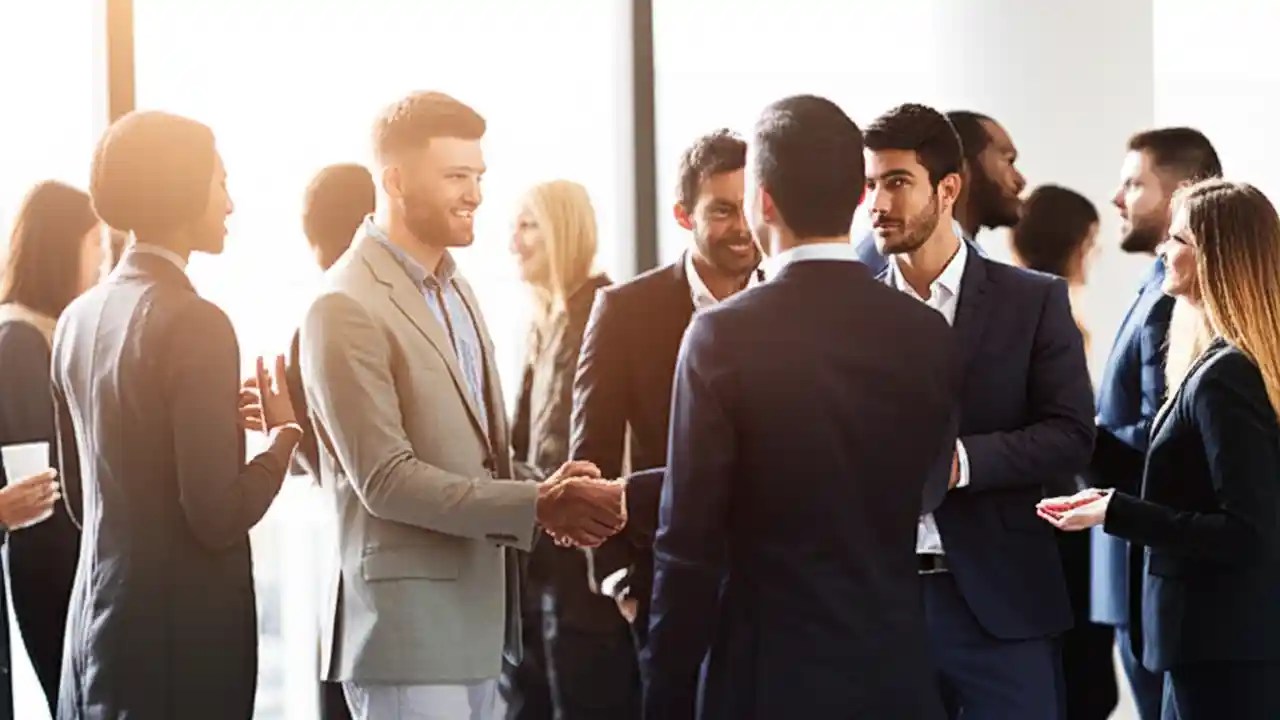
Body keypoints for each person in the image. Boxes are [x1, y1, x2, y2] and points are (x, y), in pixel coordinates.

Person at [299, 91, 624, 720]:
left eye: (477, 176)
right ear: (394, 181)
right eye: (455, 176)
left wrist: (550, 485)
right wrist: (537, 503)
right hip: (406, 637)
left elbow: (478, 455)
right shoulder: (343, 303)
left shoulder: (459, 291)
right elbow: (386, 481)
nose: (474, 194)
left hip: (478, 630)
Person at [643, 95, 961, 720]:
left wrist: (665, 690)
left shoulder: (721, 335)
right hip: (895, 675)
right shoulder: (925, 331)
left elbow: (688, 540)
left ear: (763, 200)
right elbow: (928, 485)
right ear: (853, 198)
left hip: (766, 678)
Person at [52, 110, 302, 719]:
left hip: (96, 636)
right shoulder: (196, 322)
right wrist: (283, 438)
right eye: (220, 183)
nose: (231, 204)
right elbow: (215, 516)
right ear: (183, 189)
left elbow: (84, 503)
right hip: (178, 652)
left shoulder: (75, 319)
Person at [863, 103, 1095, 719]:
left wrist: (960, 462)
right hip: (874, 610)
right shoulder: (844, 305)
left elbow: (1071, 434)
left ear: (948, 189)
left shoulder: (1033, 300)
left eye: (897, 182)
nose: (877, 204)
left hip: (1001, 608)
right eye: (870, 184)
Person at [1040, 179, 1280, 719]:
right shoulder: (1220, 365)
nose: (1163, 251)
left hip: (1223, 653)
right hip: (1212, 649)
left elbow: (1248, 532)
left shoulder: (1227, 377)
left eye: (1177, 239)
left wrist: (1115, 511)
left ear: (1215, 256)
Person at [570, 128, 761, 650]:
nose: (742, 227)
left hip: (778, 586)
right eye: (722, 211)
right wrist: (621, 581)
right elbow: (593, 454)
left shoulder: (789, 302)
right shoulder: (625, 311)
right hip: (666, 583)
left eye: (748, 207)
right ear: (684, 215)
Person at [1090, 127, 1222, 720]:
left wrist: (1069, 428)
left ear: (1183, 193)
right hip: (1127, 565)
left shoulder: (1179, 298)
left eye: (1134, 184)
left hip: (1151, 565)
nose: (1118, 200)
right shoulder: (1153, 285)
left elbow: (1162, 444)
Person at [503, 180, 621, 720]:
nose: (515, 242)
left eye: (529, 226)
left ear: (562, 233)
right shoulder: (543, 326)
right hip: (544, 565)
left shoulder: (603, 312)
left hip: (586, 576)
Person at [1011, 184, 1117, 720]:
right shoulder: (1055, 319)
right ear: (1080, 242)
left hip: (1043, 516)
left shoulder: (1013, 304)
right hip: (1058, 518)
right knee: (1084, 682)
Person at [0, 180, 101, 715]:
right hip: (51, 559)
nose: (102, 266)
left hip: (60, 554)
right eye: (95, 247)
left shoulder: (47, 333)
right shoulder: (21, 340)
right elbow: (43, 478)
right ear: (63, 249)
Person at [285, 162, 375, 720]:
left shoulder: (326, 312)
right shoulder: (410, 305)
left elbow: (332, 464)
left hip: (364, 567)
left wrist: (284, 431)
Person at [854, 109, 1026, 273]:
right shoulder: (879, 264)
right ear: (960, 167)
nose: (1020, 181)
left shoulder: (970, 266)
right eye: (1008, 160)